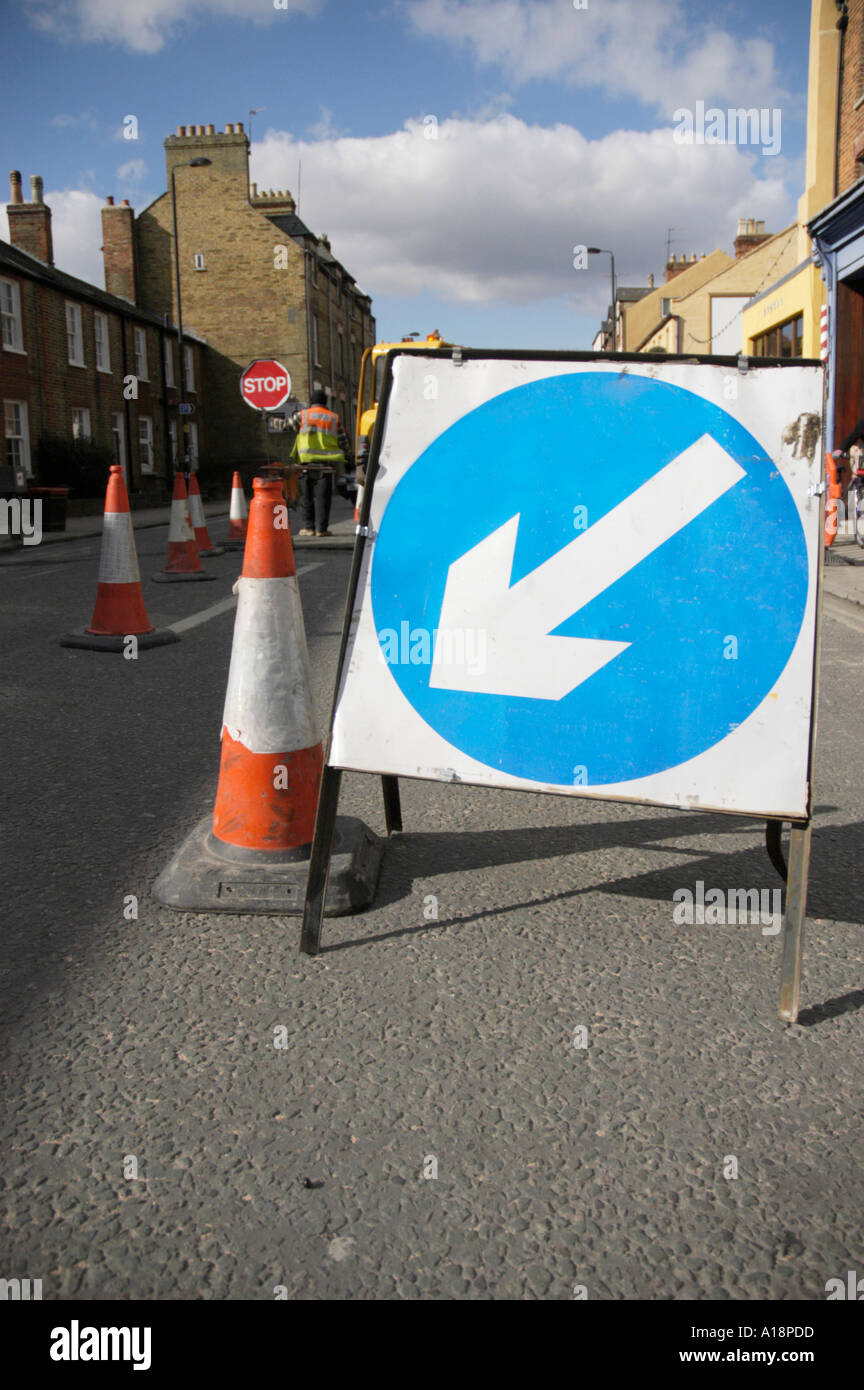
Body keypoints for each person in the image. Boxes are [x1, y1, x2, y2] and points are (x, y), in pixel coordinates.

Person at [288, 389, 353, 537]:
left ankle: (308, 528)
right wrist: (349, 457)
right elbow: (343, 441)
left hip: (306, 463)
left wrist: (268, 418)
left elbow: (286, 425)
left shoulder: (303, 415)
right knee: (323, 497)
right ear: (326, 402)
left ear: (312, 402)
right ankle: (321, 530)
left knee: (306, 496)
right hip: (326, 466)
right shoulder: (334, 418)